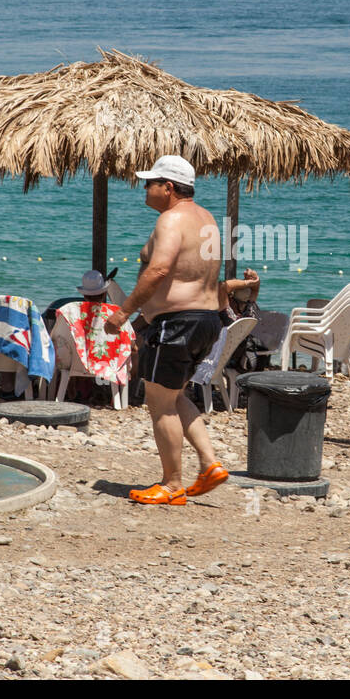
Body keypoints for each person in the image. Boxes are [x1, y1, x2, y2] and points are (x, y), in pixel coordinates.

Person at [103, 155, 226, 505]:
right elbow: (194, 276)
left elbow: (158, 271)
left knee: (160, 404)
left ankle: (172, 485)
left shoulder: (170, 220)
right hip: (205, 322)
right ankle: (210, 465)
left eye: (150, 182)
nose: (144, 188)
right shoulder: (207, 220)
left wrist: (124, 313)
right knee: (174, 396)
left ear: (168, 187)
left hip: (177, 325)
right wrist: (146, 320)